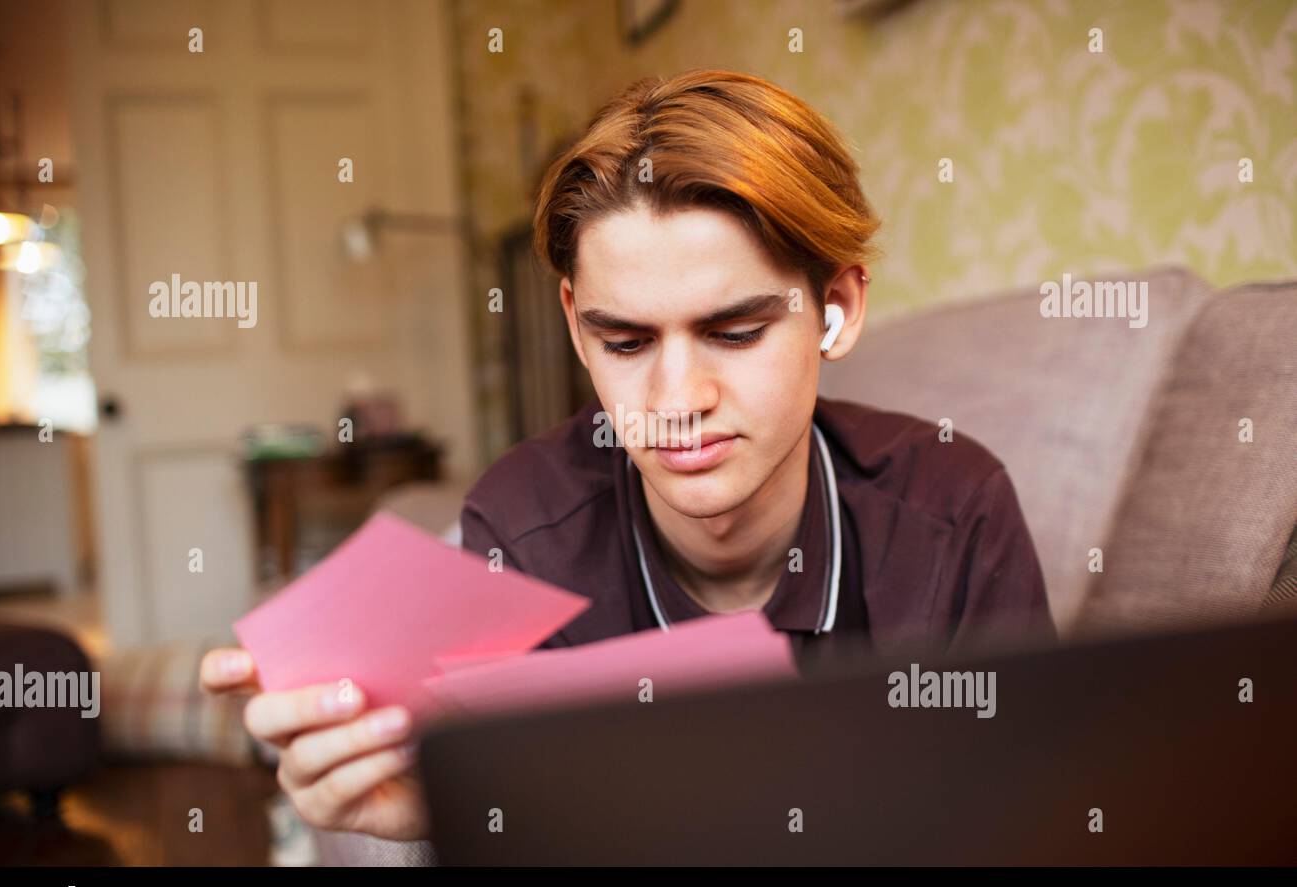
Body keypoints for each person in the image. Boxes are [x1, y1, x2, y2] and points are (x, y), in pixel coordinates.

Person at [201, 69, 1056, 844]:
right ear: (578, 328)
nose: (676, 402)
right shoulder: (521, 531)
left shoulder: (956, 513)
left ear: (835, 305)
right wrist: (454, 815)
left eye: (735, 331)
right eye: (625, 342)